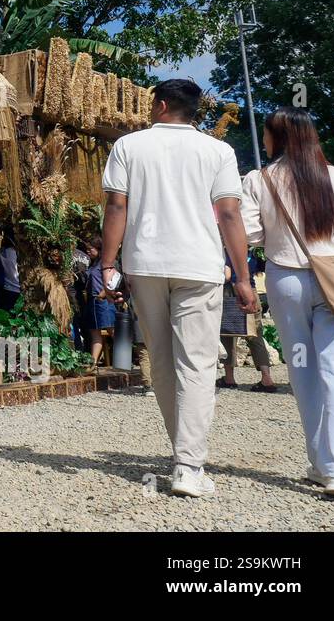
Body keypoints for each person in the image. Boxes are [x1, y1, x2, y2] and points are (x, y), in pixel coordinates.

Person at [99, 78, 257, 498]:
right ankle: (188, 464)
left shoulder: (129, 146)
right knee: (197, 364)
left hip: (144, 265)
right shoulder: (218, 151)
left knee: (164, 362)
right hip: (199, 266)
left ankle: (183, 454)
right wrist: (242, 276)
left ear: (162, 104)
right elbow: (228, 214)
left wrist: (107, 263)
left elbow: (117, 206)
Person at [241, 106, 334, 500]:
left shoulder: (260, 179)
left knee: (302, 370)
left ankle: (321, 463)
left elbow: (251, 234)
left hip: (286, 280)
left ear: (278, 138)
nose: (265, 141)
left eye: (267, 134)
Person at [217, 260, 277, 393]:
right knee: (255, 335)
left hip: (230, 290)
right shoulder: (253, 249)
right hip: (251, 290)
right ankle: (266, 378)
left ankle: (229, 378)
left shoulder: (228, 245)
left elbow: (227, 275)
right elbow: (261, 269)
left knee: (227, 334)